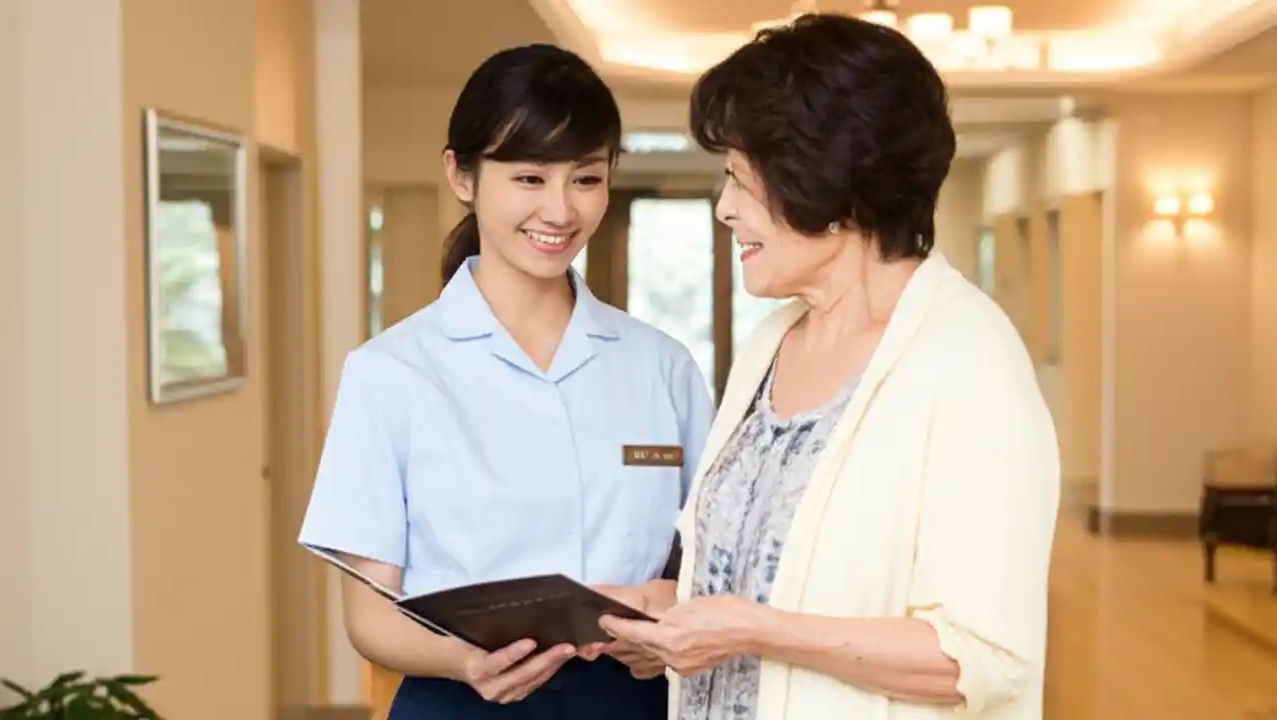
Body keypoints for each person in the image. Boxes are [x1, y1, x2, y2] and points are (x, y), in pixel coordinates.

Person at [593, 14, 1060, 720]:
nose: (724, 209)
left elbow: (984, 658)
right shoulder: (771, 342)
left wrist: (758, 631)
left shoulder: (970, 362)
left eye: (740, 180)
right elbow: (765, 575)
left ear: (831, 189)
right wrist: (670, 609)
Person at [297, 43, 714, 719]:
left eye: (586, 179)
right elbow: (369, 616)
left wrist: (675, 625)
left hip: (630, 701)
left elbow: (712, 562)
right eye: (529, 178)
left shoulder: (661, 366)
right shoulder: (391, 373)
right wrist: (465, 661)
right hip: (459, 700)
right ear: (461, 175)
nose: (560, 211)